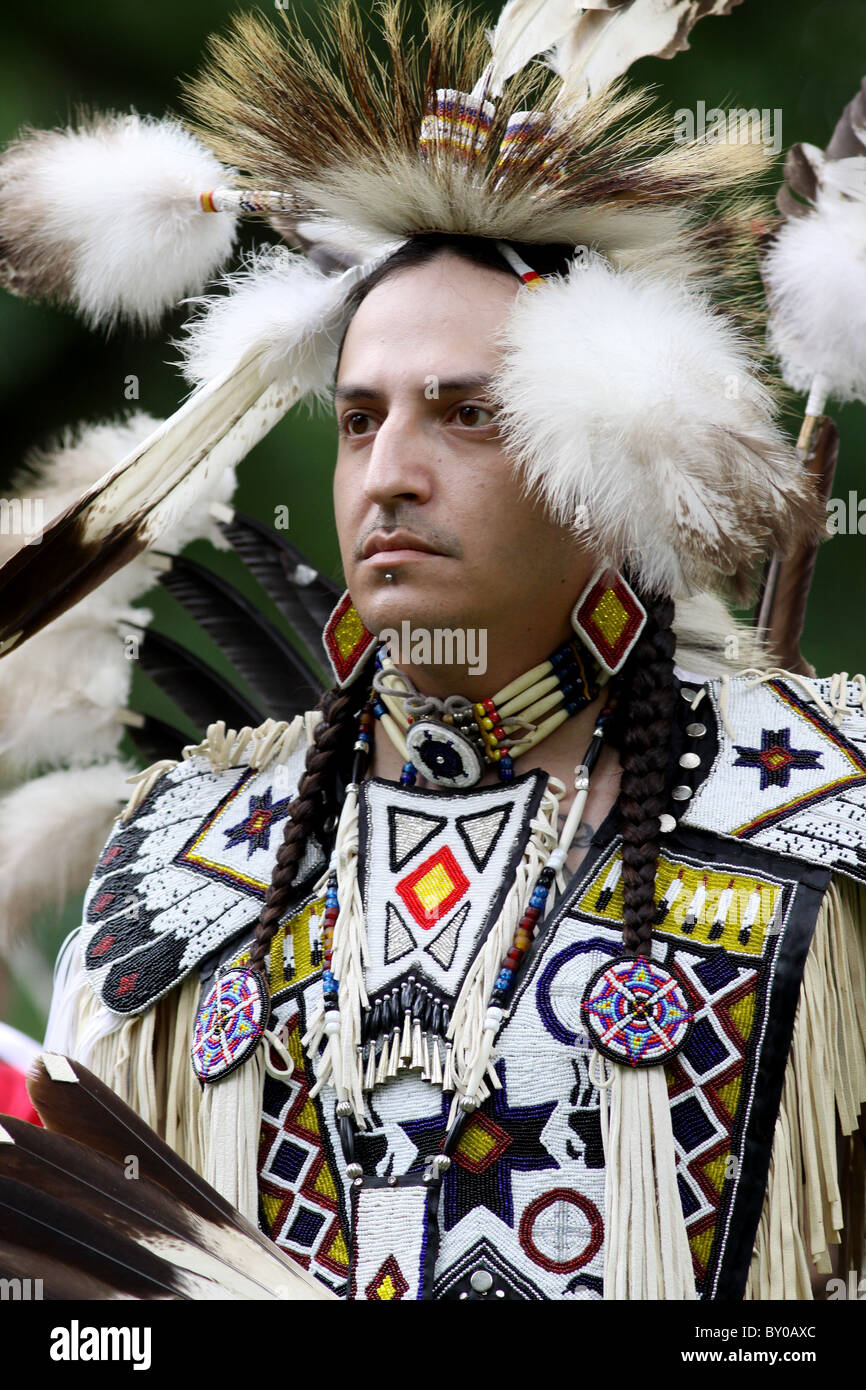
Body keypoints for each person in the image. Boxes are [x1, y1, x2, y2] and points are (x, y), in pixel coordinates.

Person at [6, 1, 866, 1301]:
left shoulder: (817, 821)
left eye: (463, 414)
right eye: (358, 421)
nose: (387, 476)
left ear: (599, 460)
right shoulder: (182, 871)